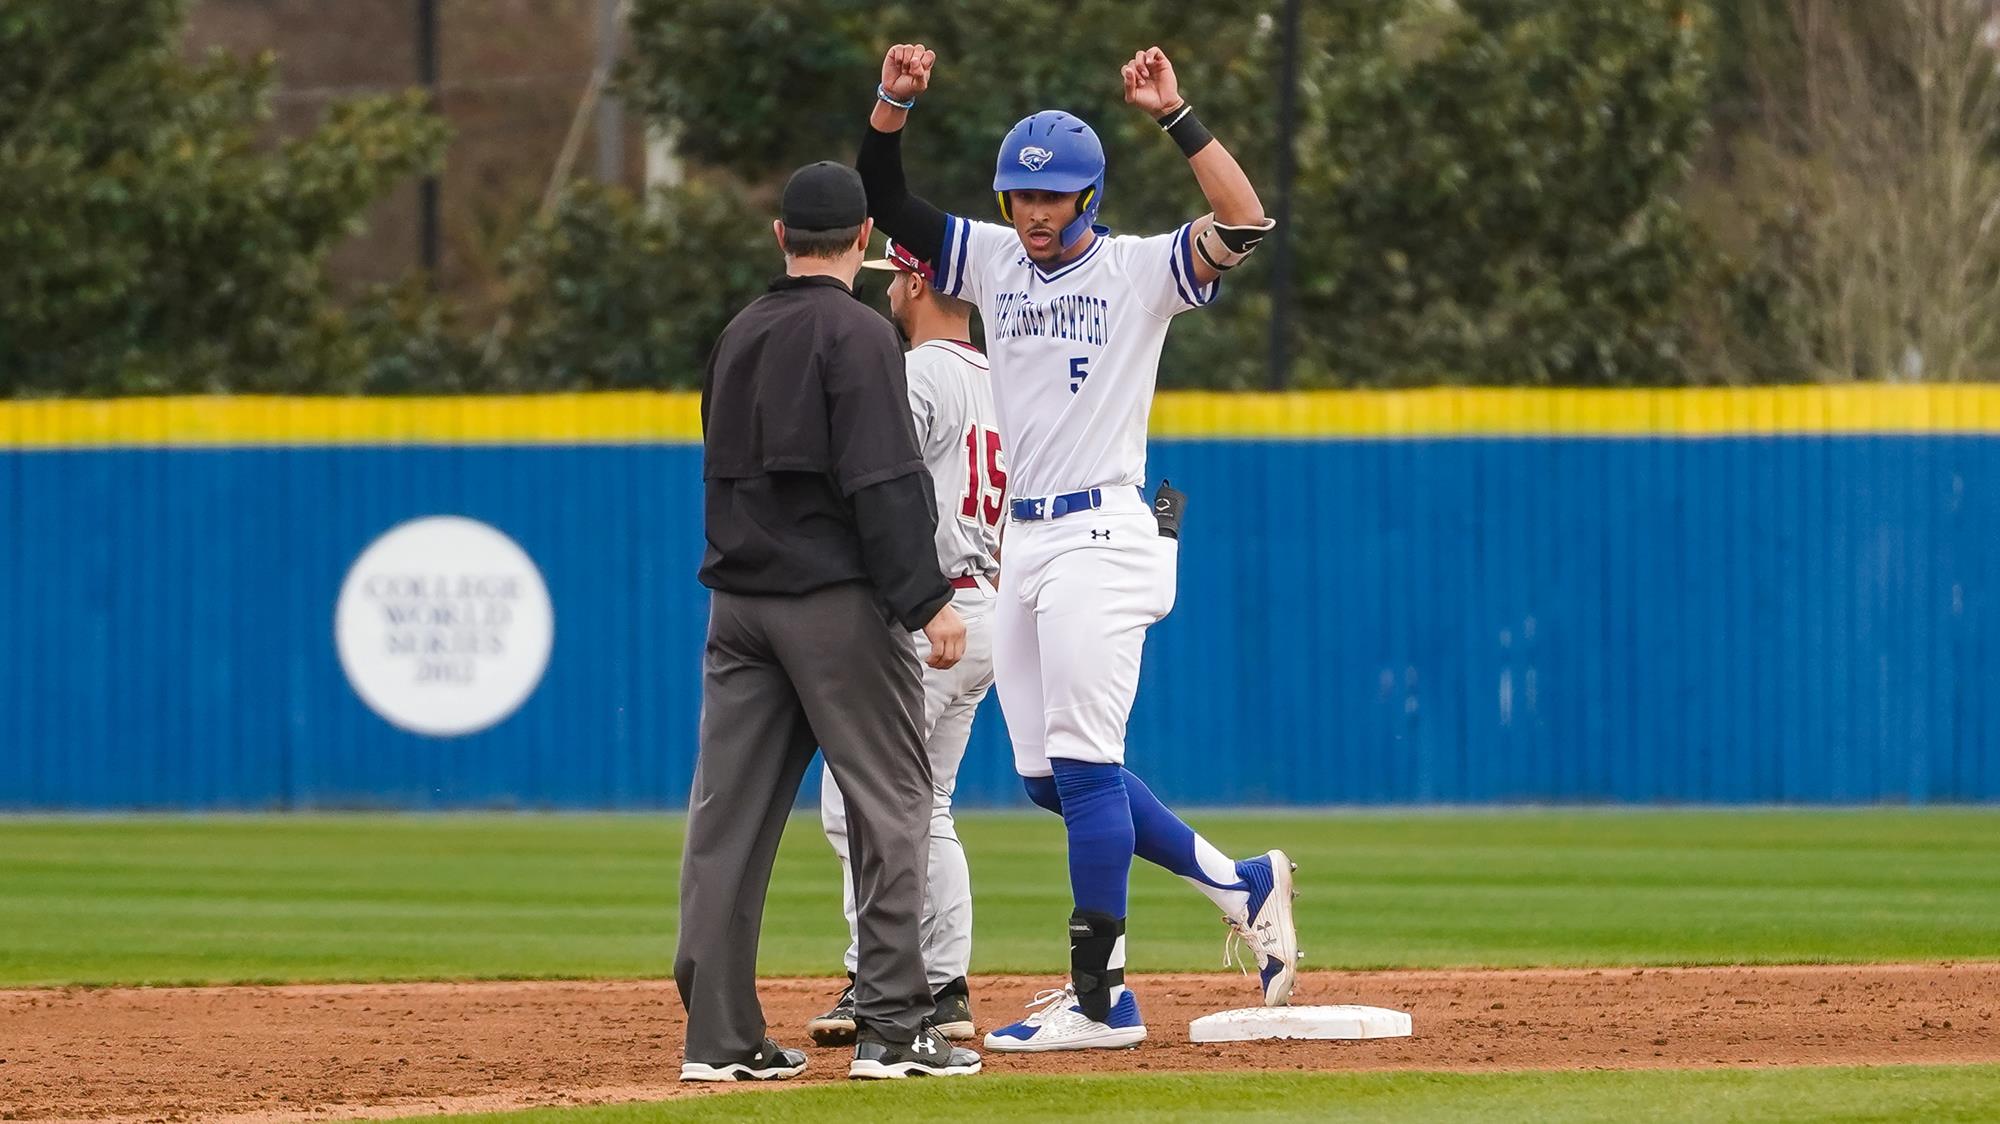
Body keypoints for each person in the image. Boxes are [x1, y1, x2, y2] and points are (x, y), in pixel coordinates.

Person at [856, 45, 1301, 1053]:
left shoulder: (1139, 267)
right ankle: (1240, 882)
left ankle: (1101, 998)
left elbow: (1242, 220)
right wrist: (893, 103)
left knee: (1089, 769)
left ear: (1089, 194)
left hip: (1103, 529)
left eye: (1053, 196)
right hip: (1025, 541)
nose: (1035, 213)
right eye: (1020, 195)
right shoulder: (989, 258)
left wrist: (1175, 112)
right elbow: (884, 195)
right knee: (1049, 781)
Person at [676, 161, 981, 1081]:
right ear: (863, 243)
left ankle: (718, 1041)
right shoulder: (859, 334)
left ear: (780, 238)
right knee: (893, 804)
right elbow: (883, 481)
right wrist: (925, 599)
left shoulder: (738, 332)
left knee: (726, 823)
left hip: (738, 604)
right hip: (834, 604)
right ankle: (894, 1028)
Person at [809, 240, 1005, 1048]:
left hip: (932, 618)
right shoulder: (1001, 378)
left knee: (851, 804)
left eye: (897, 279)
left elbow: (880, 484)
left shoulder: (920, 373)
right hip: (984, 601)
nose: (891, 293)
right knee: (928, 808)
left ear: (918, 281)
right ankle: (940, 982)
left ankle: (883, 979)